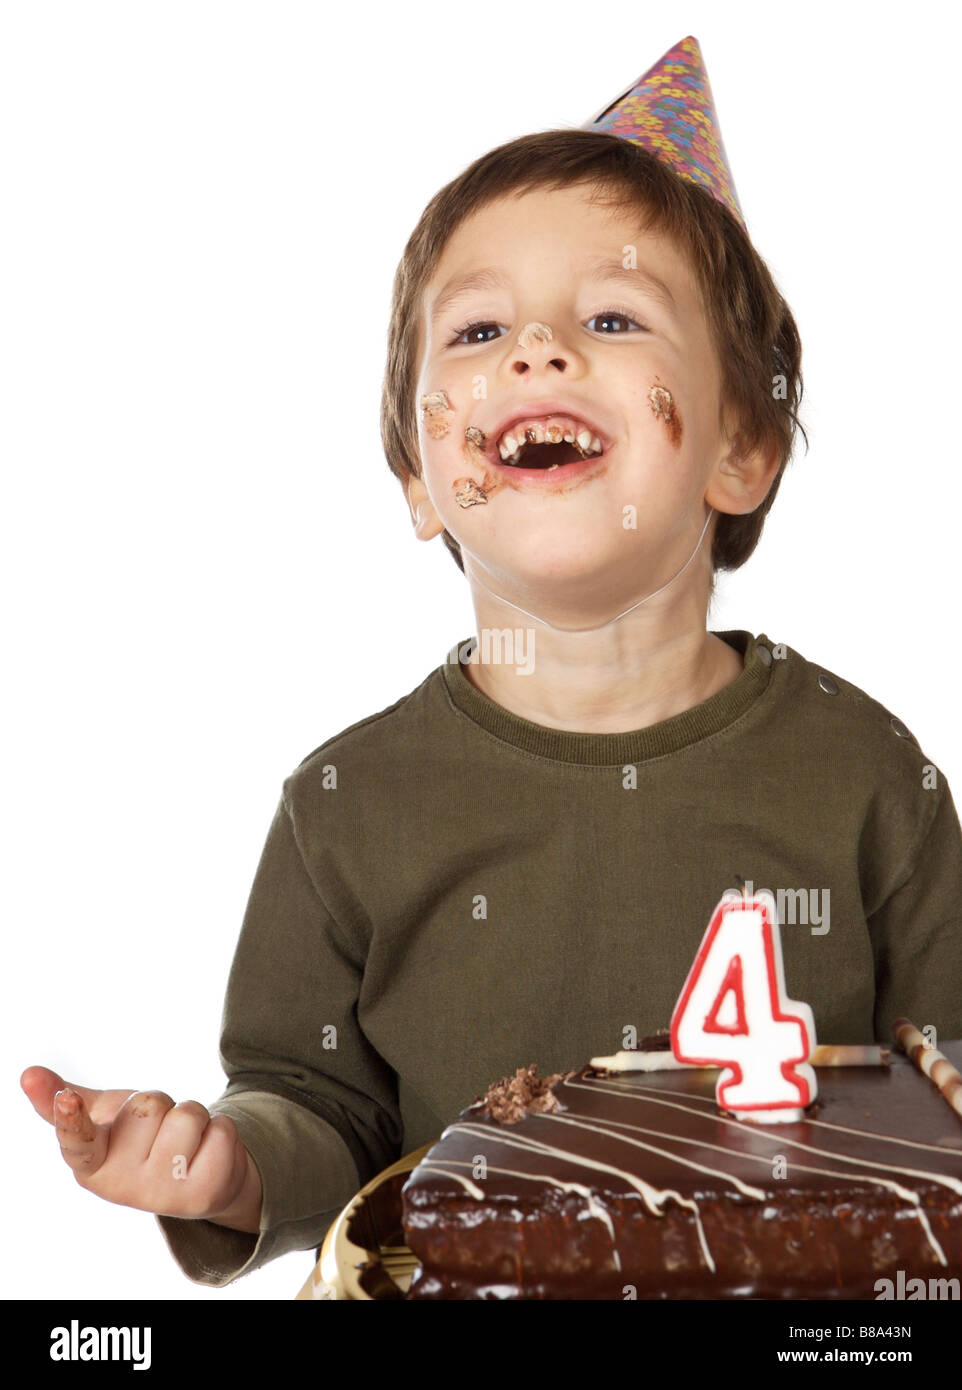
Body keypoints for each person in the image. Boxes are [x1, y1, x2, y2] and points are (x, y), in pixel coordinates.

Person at [21, 36, 962, 1290]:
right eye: (475, 330)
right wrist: (229, 1166)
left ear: (740, 442)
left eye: (613, 315)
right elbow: (317, 1110)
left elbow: (941, 1103)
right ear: (420, 477)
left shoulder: (865, 777)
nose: (534, 349)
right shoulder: (344, 808)